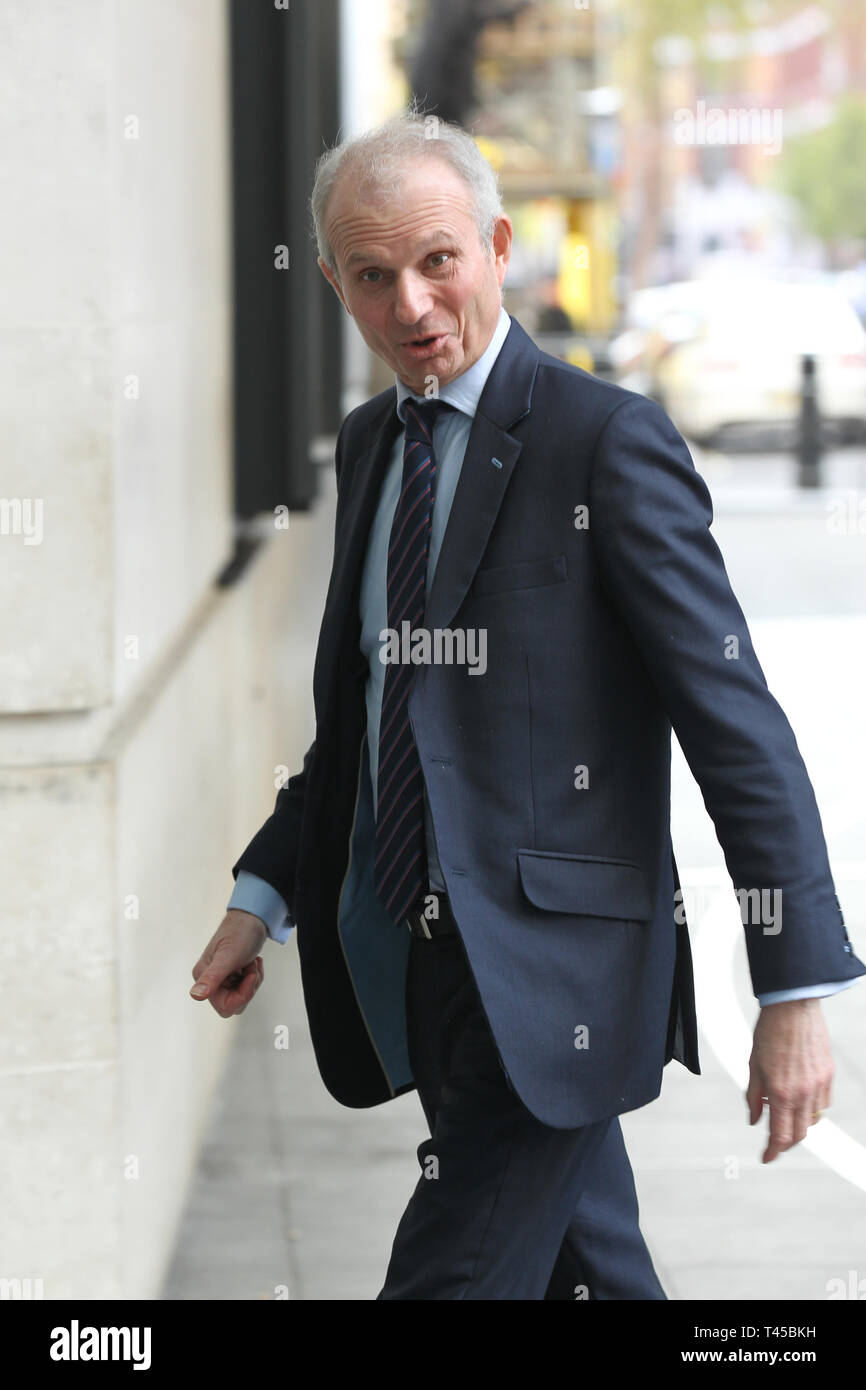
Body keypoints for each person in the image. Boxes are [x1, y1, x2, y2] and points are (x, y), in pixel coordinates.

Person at [190, 110, 864, 1300]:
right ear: (339, 287)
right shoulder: (368, 446)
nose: (410, 303)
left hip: (559, 981)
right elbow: (368, 720)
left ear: (498, 246)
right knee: (590, 1276)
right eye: (372, 275)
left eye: (437, 260)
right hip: (413, 959)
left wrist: (791, 986)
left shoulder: (605, 443)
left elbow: (733, 721)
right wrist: (266, 892)